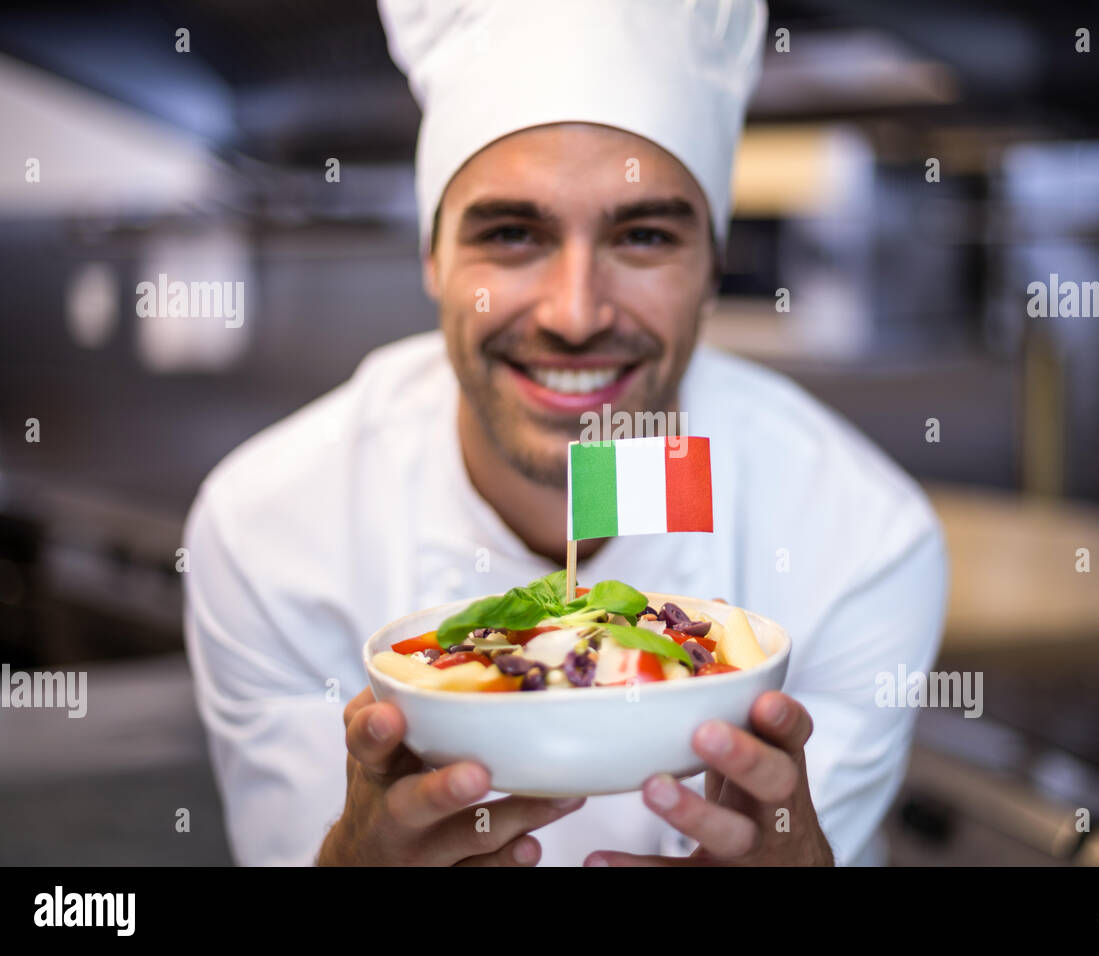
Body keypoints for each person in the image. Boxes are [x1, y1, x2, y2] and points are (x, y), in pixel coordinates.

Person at [182, 0, 948, 867]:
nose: (576, 314)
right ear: (434, 259)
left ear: (711, 270)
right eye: (513, 233)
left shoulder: (860, 538)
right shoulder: (267, 529)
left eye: (645, 235)